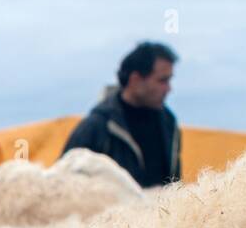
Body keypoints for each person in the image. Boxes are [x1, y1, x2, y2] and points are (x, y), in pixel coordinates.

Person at [62, 42, 181, 188]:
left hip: (161, 210)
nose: (169, 89)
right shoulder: (96, 128)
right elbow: (62, 188)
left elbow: (174, 183)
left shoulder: (169, 123)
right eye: (162, 80)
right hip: (109, 211)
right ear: (135, 79)